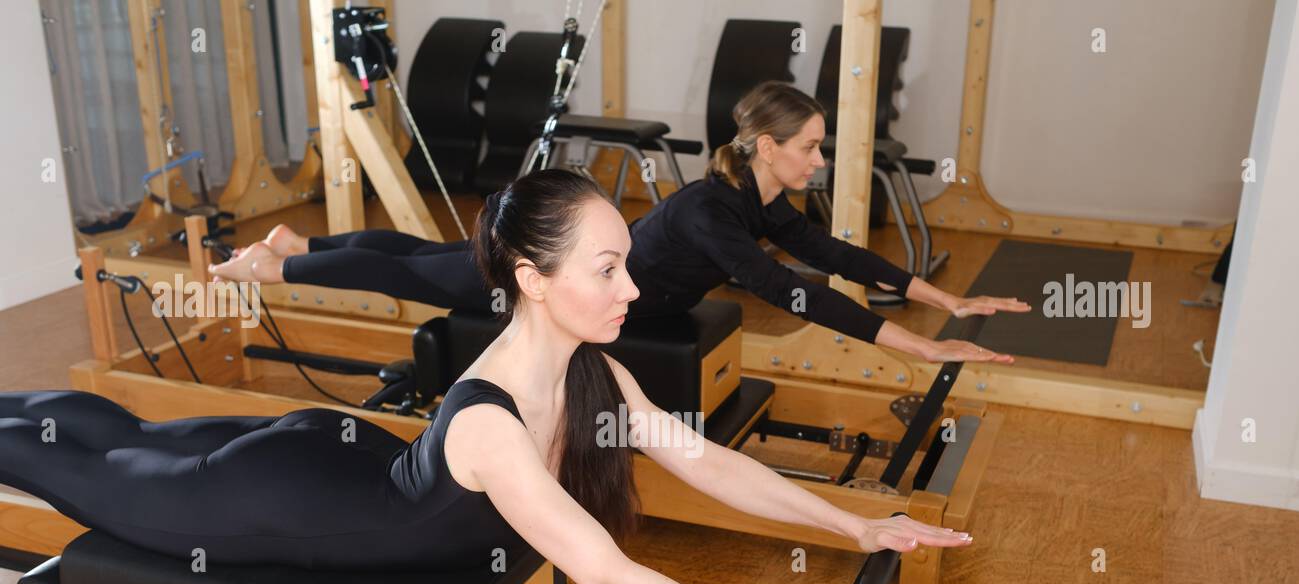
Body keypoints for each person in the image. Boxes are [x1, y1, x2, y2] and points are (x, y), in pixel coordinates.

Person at [1, 170, 972, 584]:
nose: (633, 289)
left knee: (110, 431)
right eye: (608, 269)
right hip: (264, 501)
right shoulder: (495, 424)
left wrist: (854, 525)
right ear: (535, 278)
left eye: (628, 263)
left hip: (327, 459)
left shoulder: (593, 371)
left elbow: (707, 460)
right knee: (61, 457)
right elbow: (614, 576)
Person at [214, 82, 1028, 366]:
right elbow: (793, 290)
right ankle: (276, 266)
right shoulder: (716, 212)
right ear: (770, 146)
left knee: (428, 256)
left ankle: (300, 242)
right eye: (812, 148)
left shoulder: (758, 196)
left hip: (589, 281)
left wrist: (939, 299)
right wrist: (917, 344)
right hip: (558, 284)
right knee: (418, 274)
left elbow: (829, 252)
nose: (820, 162)